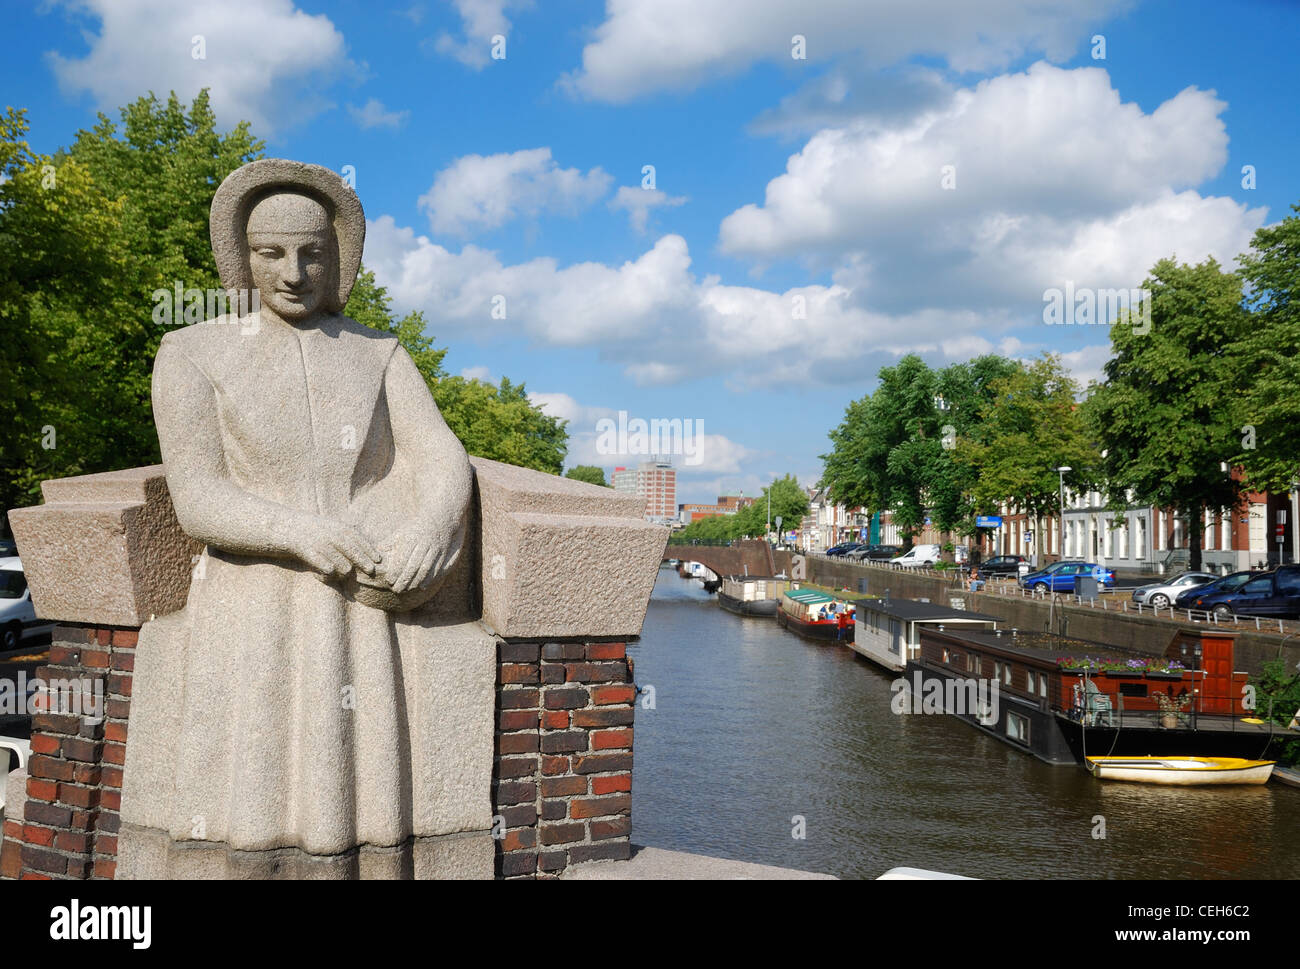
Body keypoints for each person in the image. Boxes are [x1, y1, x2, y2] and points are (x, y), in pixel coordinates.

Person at [122, 160, 487, 871]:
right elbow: (198, 495)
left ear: (338, 257)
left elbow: (443, 454)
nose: (293, 271)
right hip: (254, 600)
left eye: (312, 252)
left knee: (361, 796)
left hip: (359, 605)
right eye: (271, 253)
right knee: (247, 792)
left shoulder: (379, 354)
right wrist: (301, 532)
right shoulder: (192, 352)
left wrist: (432, 524)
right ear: (241, 257)